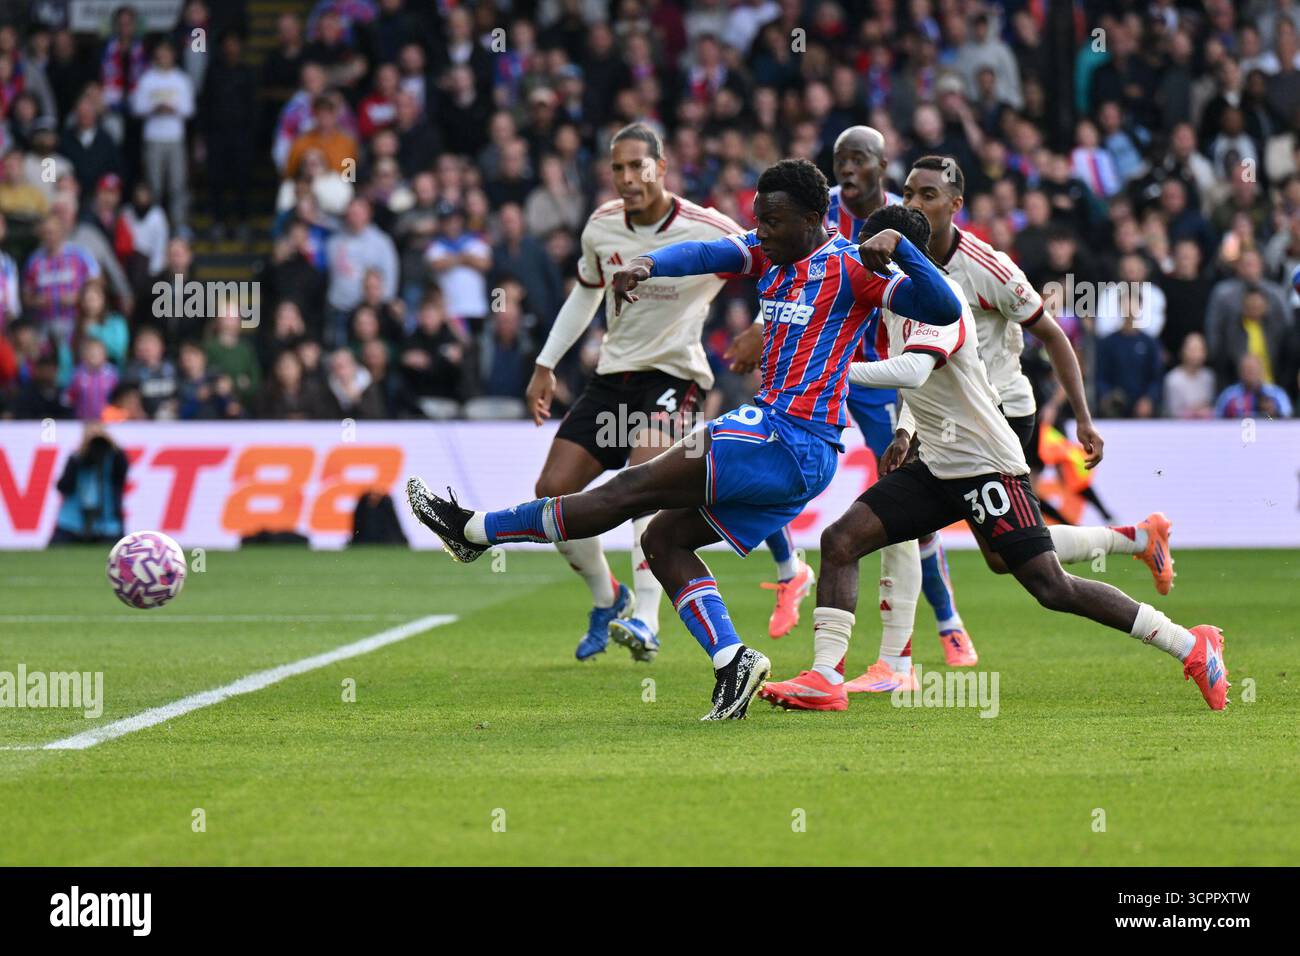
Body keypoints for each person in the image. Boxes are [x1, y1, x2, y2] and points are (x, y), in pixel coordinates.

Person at [405, 158, 963, 720]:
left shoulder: (855, 269)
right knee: (664, 541)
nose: (761, 232)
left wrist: (902, 250)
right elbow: (703, 253)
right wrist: (647, 263)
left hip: (786, 435)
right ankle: (732, 661)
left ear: (815, 219)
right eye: (758, 220)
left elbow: (944, 307)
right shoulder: (768, 252)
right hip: (786, 448)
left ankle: (476, 531)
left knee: (631, 490)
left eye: (772, 221)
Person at [759, 206, 1228, 714]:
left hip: (987, 465)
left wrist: (829, 372)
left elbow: (916, 370)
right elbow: (934, 384)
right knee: (841, 539)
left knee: (1051, 586)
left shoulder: (939, 300)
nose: (856, 260)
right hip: (938, 464)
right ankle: (826, 677)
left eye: (866, 251)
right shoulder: (896, 303)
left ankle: (1191, 644)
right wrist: (903, 430)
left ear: (893, 254)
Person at [502, 123, 744, 665]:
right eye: (618, 168)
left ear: (662, 166)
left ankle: (648, 621)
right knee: (551, 493)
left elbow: (769, 258)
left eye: (638, 166)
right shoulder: (602, 227)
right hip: (613, 379)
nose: (627, 178)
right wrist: (545, 363)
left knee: (643, 482)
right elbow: (584, 295)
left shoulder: (708, 227)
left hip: (676, 376)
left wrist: (755, 330)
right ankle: (610, 599)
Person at [50, 424, 127, 544]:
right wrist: (80, 456)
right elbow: (63, 486)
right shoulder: (76, 458)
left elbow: (122, 473)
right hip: (73, 522)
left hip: (107, 522)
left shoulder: (115, 458)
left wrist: (111, 445)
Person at [1215, 353, 1294, 418]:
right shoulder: (1229, 395)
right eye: (1247, 370)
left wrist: (1274, 412)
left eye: (1253, 369)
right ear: (1240, 372)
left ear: (1262, 371)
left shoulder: (1276, 394)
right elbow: (1217, 418)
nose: (1250, 374)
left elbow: (1288, 415)